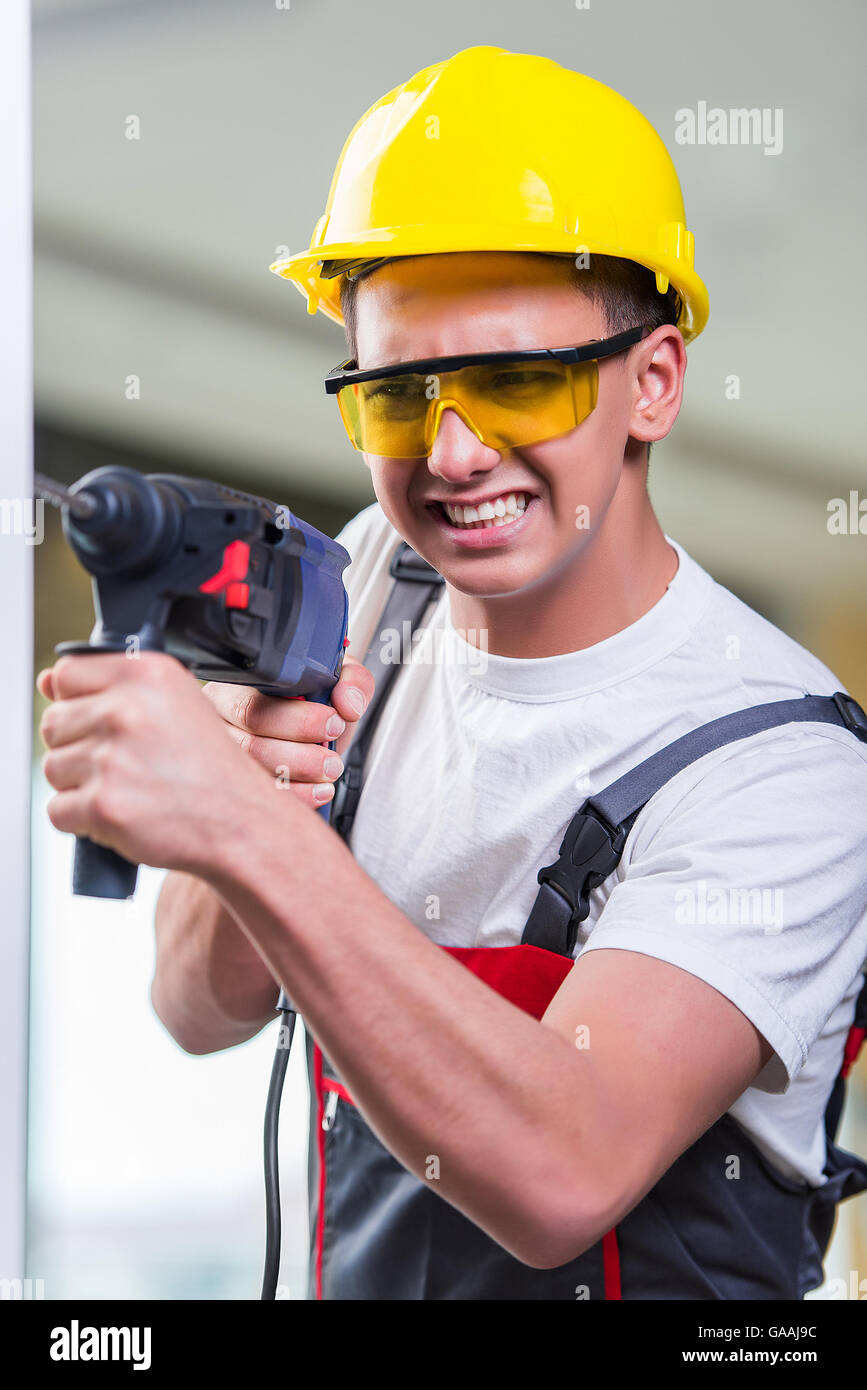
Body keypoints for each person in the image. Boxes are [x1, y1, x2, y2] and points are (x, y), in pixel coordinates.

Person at [37, 46, 867, 1300]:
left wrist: (250, 838)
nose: (457, 451)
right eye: (399, 395)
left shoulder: (783, 760)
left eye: (519, 381)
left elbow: (562, 1170)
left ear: (653, 382)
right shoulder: (375, 582)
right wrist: (249, 797)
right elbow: (193, 1009)